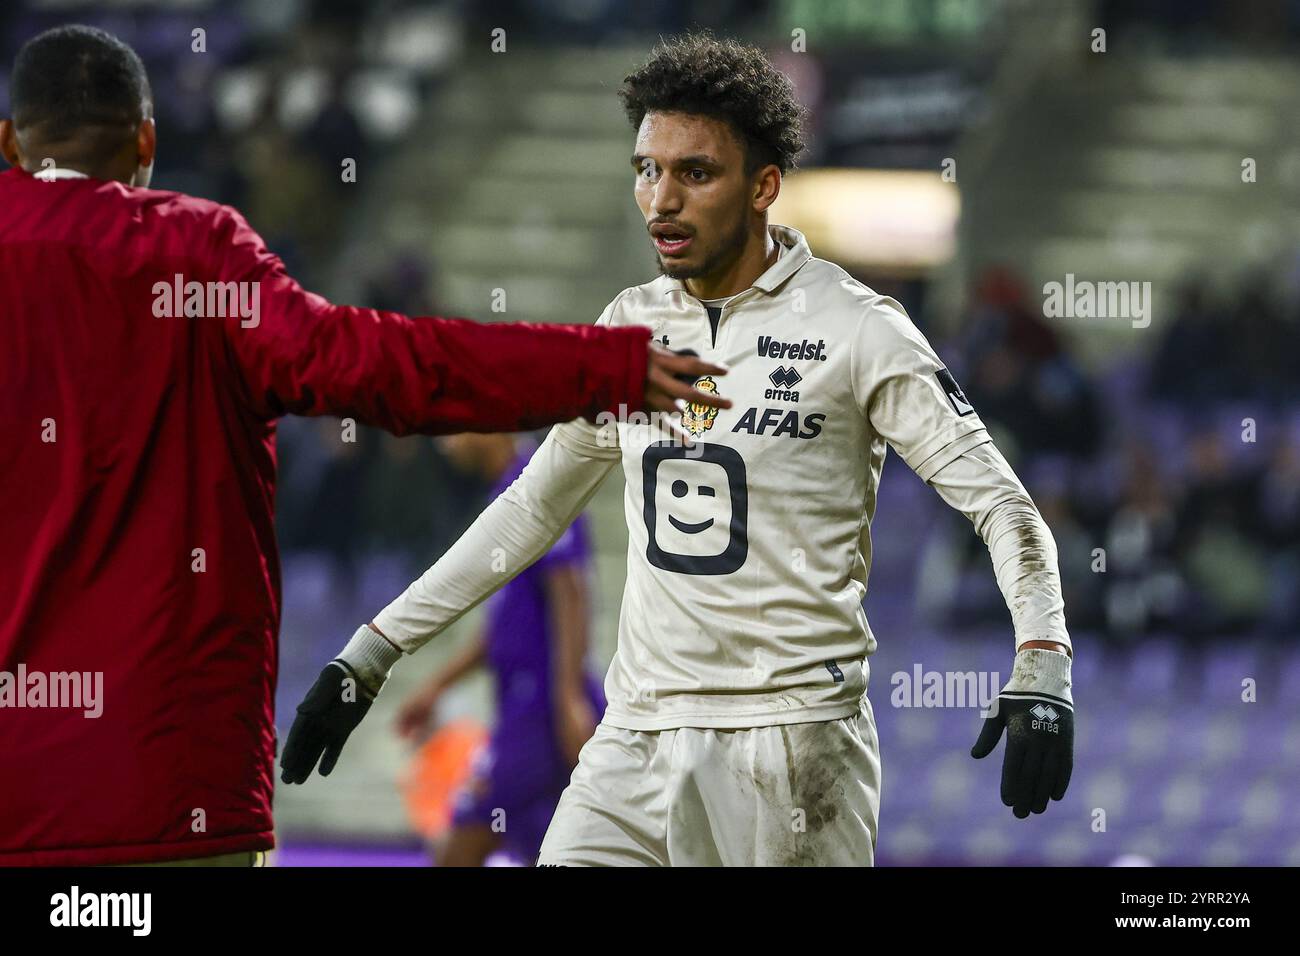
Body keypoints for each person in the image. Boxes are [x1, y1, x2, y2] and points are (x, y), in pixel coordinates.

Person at [283, 33, 1074, 866]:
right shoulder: (631, 327)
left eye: (695, 173)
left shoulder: (857, 328)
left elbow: (1000, 503)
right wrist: (371, 652)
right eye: (646, 170)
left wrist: (1043, 661)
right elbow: (527, 509)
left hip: (794, 745)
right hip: (636, 737)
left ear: (764, 186)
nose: (661, 199)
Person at [0, 24, 727, 867]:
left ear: (11, 142)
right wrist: (606, 364)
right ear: (146, 145)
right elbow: (389, 366)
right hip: (173, 793)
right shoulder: (197, 257)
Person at [394, 433, 605, 865]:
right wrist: (437, 686)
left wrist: (567, 697)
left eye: (455, 423)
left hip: (540, 713)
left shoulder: (540, 485)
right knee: (545, 850)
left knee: (460, 848)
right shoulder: (505, 493)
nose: (444, 439)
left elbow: (570, 591)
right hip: (524, 707)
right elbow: (503, 630)